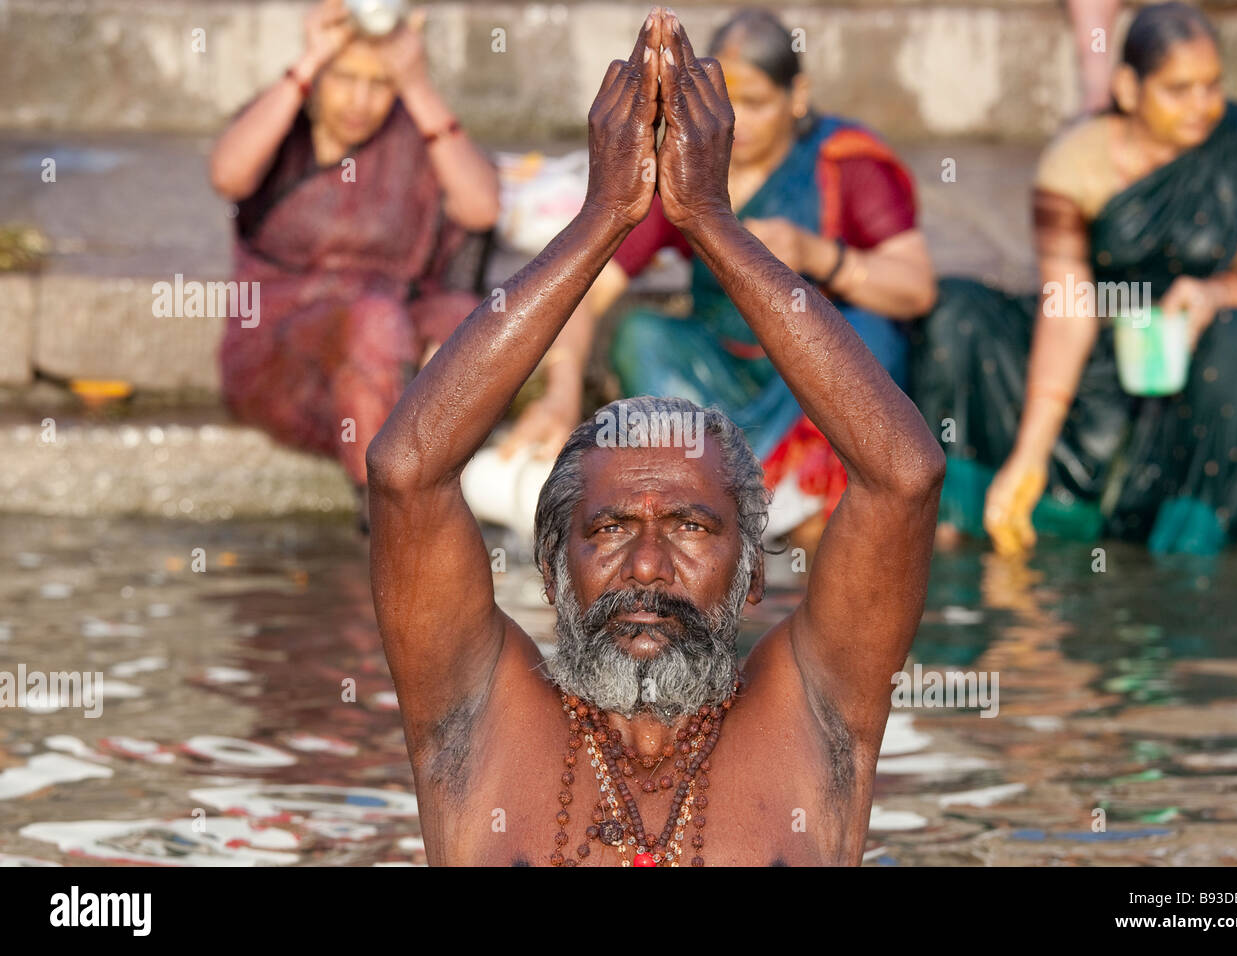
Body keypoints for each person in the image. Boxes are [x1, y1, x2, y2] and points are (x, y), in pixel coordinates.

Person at [366, 9, 944, 866]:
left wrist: (710, 220)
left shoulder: (815, 713)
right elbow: (405, 471)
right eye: (607, 529)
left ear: (753, 571)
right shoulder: (478, 719)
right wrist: (604, 215)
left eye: (690, 527)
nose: (645, 568)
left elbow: (904, 475)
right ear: (553, 568)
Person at [471, 7, 935, 553]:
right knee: (639, 334)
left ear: (798, 96)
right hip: (717, 371)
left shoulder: (843, 163)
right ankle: (703, 493)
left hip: (809, 381)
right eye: (729, 104)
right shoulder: (684, 167)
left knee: (869, 336)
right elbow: (589, 289)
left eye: (759, 104)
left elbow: (916, 287)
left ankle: (818, 509)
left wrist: (821, 257)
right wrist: (563, 390)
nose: (744, 122)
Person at [909, 2, 1237, 556]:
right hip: (1088, 347)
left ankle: (1190, 549)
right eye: (1178, 89)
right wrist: (1032, 454)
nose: (1202, 106)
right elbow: (1068, 303)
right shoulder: (1078, 160)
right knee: (957, 308)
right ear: (1128, 88)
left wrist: (1217, 294)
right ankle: (957, 521)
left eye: (1211, 86)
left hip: (1189, 355)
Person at [209, 0, 499, 531]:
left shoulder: (412, 133)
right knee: (373, 320)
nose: (361, 101)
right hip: (283, 362)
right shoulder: (281, 124)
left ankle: (433, 485)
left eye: (378, 84)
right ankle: (384, 515)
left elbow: (481, 207)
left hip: (380, 353)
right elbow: (228, 176)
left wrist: (414, 83)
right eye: (345, 79)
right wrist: (310, 60)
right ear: (320, 78)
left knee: (467, 317)